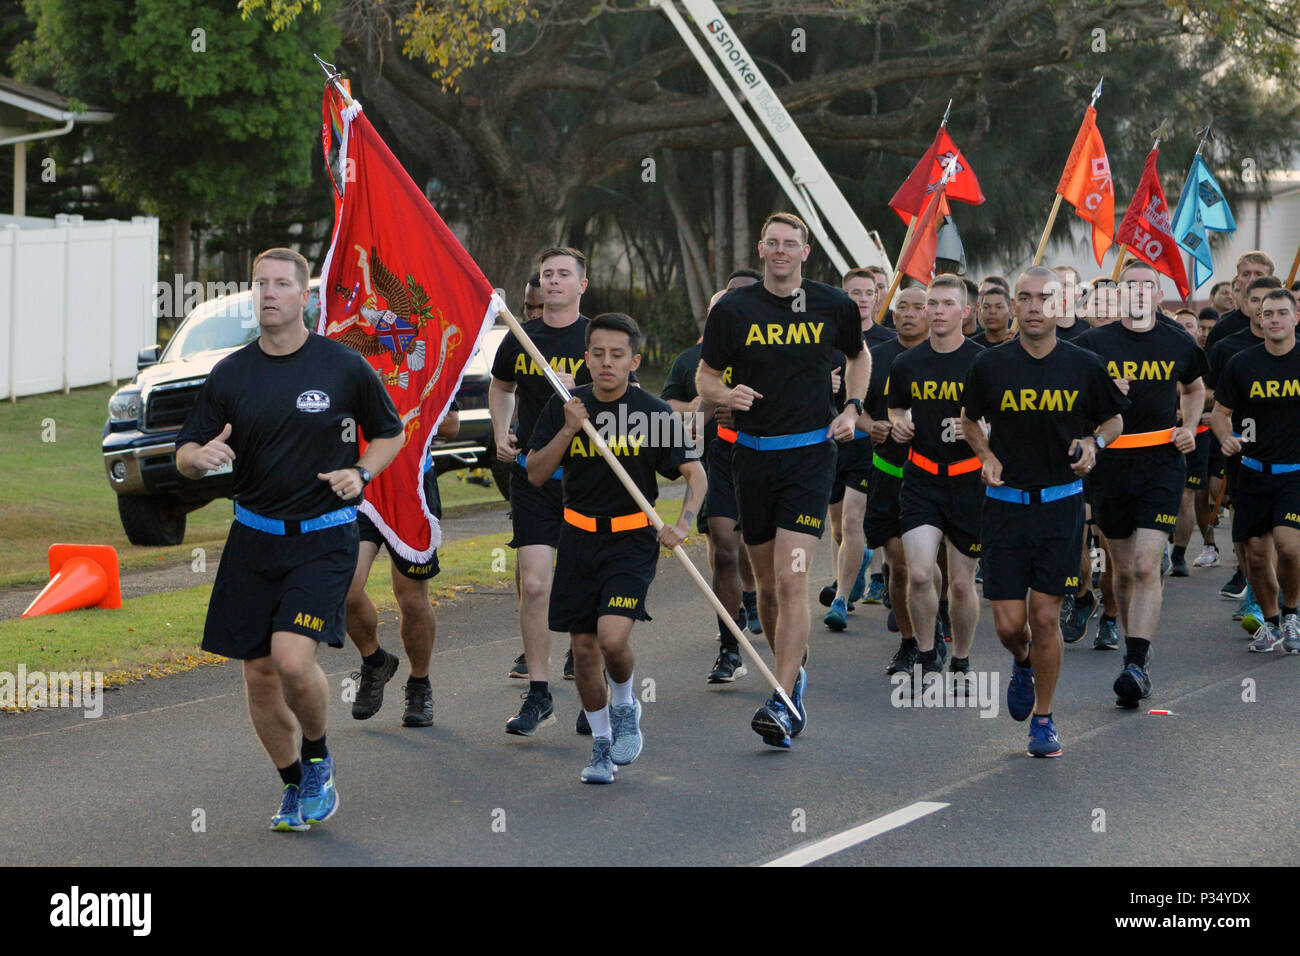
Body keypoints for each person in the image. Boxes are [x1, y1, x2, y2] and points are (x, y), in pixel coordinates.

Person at [175, 247, 404, 830]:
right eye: (260, 284)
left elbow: (389, 433)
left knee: (292, 661)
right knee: (258, 674)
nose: (269, 293)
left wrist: (363, 473)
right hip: (253, 539)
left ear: (305, 297)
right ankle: (293, 785)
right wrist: (199, 457)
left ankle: (319, 756)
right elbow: (184, 453)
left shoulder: (343, 367)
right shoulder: (231, 373)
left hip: (324, 537)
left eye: (281, 284)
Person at [697, 211, 867, 748]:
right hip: (751, 458)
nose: (779, 251)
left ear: (805, 251)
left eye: (789, 244)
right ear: (761, 248)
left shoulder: (833, 305)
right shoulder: (735, 310)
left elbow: (859, 357)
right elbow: (705, 375)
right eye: (770, 243)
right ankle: (791, 672)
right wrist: (724, 396)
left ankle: (784, 695)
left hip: (810, 458)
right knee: (767, 587)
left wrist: (853, 408)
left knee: (793, 580)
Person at [527, 313, 707, 782]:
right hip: (577, 537)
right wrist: (568, 429)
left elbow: (696, 474)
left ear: (635, 361)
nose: (607, 363)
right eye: (598, 354)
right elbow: (535, 473)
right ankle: (602, 746)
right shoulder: (566, 406)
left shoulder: (653, 412)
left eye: (618, 355)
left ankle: (625, 702)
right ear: (586, 358)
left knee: (611, 638)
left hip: (631, 539)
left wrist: (683, 523)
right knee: (584, 649)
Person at [960, 266, 1127, 757]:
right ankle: (1024, 661)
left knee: (1046, 615)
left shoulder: (1084, 363)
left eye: (1043, 299)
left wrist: (1095, 442)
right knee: (1011, 625)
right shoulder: (990, 365)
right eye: (1025, 298)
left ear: (1061, 306)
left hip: (1059, 506)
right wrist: (985, 456)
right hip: (1005, 507)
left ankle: (1044, 720)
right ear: (1013, 306)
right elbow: (970, 422)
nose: (1034, 307)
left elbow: (1115, 417)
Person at [491, 246, 637, 735]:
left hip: (587, 482)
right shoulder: (520, 336)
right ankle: (538, 693)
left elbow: (624, 397)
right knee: (534, 583)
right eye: (546, 274)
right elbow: (501, 385)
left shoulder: (598, 339)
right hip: (533, 476)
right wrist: (501, 431)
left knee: (587, 588)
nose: (553, 282)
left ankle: (593, 689)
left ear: (582, 284)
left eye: (563, 275)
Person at [1075, 263, 1206, 705]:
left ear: (1158, 295)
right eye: (1130, 285)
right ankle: (1134, 653)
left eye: (1146, 286)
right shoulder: (1093, 345)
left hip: (1161, 462)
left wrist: (1187, 426)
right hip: (1111, 464)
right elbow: (1072, 404)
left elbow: (1194, 389)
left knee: (1149, 566)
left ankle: (1135, 662)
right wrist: (1104, 393)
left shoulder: (1178, 341)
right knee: (1124, 570)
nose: (1138, 292)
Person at [661, 270, 763, 683]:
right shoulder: (696, 362)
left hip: (768, 460)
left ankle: (762, 606)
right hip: (718, 459)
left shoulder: (770, 350)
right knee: (724, 547)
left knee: (760, 554)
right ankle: (729, 647)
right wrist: (707, 409)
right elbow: (684, 411)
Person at [887, 275, 985, 682]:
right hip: (922, 478)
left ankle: (961, 658)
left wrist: (981, 431)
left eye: (947, 304)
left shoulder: (984, 362)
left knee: (962, 584)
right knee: (921, 573)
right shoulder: (906, 363)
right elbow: (896, 409)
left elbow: (1005, 418)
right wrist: (899, 425)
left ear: (965, 312)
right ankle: (927, 655)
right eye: (933, 303)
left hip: (969, 480)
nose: (938, 311)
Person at [344, 402, 460, 727]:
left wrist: (404, 408)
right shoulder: (346, 355)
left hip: (411, 485)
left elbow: (451, 425)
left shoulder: (421, 355)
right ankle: (375, 661)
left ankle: (419, 685)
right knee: (344, 587)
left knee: (410, 598)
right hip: (358, 485)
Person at [1211, 288, 1300, 653]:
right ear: (1259, 319)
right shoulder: (1242, 363)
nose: (1275, 319)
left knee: (1289, 546)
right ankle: (1271, 621)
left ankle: (1292, 612)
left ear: (1296, 317)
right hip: (1252, 471)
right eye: (1268, 313)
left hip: (1296, 472)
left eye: (1282, 312)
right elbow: (1220, 414)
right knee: (1257, 555)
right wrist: (1225, 438)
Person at [823, 267, 895, 629]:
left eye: (868, 292)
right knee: (838, 528)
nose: (862, 299)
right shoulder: (827, 341)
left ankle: (839, 599)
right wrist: (825, 382)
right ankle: (857, 562)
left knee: (853, 520)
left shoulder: (888, 341)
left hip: (869, 443)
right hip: (831, 443)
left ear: (878, 298)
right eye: (854, 293)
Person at [863, 284, 929, 672]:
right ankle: (909, 643)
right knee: (901, 565)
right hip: (889, 474)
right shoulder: (875, 359)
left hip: (940, 478)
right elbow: (855, 413)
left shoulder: (947, 358)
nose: (908, 313)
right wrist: (873, 427)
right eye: (901, 306)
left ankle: (937, 622)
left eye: (917, 307)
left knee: (936, 568)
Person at [1204, 251, 1275, 352]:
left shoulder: (1285, 326)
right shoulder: (1221, 330)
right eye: (1246, 274)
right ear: (1237, 281)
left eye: (1258, 274)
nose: (1251, 279)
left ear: (1271, 279)